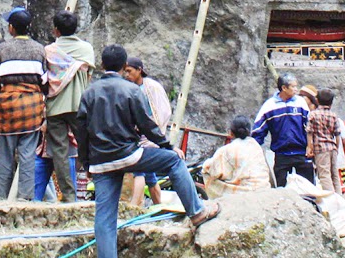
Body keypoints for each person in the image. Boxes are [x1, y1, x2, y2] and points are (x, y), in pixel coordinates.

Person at [76, 43, 219, 258]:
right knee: (173, 161)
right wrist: (168, 146)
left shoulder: (89, 93)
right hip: (129, 154)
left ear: (102, 65)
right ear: (125, 66)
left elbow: (81, 132)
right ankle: (197, 212)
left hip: (101, 162)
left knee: (104, 218)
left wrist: (87, 164)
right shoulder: (132, 90)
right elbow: (147, 126)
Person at [0, 7, 47, 200]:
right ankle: (25, 197)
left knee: (4, 155)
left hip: (8, 108)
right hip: (32, 109)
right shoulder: (39, 50)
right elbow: (44, 81)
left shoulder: (2, 49)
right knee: (27, 156)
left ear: (11, 28)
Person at [44, 9, 94, 203]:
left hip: (55, 107)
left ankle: (69, 195)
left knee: (59, 151)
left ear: (56, 30)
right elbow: (88, 75)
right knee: (87, 146)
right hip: (79, 105)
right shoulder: (86, 49)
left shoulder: (49, 51)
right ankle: (97, 184)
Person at [123, 56, 172, 207]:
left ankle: (134, 206)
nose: (127, 74)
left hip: (149, 134)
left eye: (129, 71)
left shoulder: (152, 87)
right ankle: (159, 206)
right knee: (149, 175)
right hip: (137, 135)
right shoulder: (131, 88)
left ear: (139, 70)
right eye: (125, 71)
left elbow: (163, 111)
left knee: (139, 171)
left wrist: (153, 132)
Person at [251, 73, 313, 186]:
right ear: (284, 88)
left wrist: (310, 146)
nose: (296, 89)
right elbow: (258, 130)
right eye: (293, 87)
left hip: (302, 153)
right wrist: (254, 149)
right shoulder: (270, 105)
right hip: (281, 154)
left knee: (307, 187)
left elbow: (310, 126)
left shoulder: (300, 103)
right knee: (281, 188)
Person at [202, 114, 272, 197]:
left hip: (244, 191)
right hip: (263, 188)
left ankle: (217, 198)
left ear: (231, 133)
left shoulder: (228, 149)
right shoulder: (256, 146)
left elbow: (210, 168)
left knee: (208, 173)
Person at [306, 87, 344, 195]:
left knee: (324, 174)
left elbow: (309, 132)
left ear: (317, 100)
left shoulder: (313, 114)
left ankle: (332, 198)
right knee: (334, 175)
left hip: (320, 148)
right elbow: (337, 134)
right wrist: (336, 147)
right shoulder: (334, 115)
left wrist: (310, 147)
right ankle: (339, 197)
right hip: (332, 148)